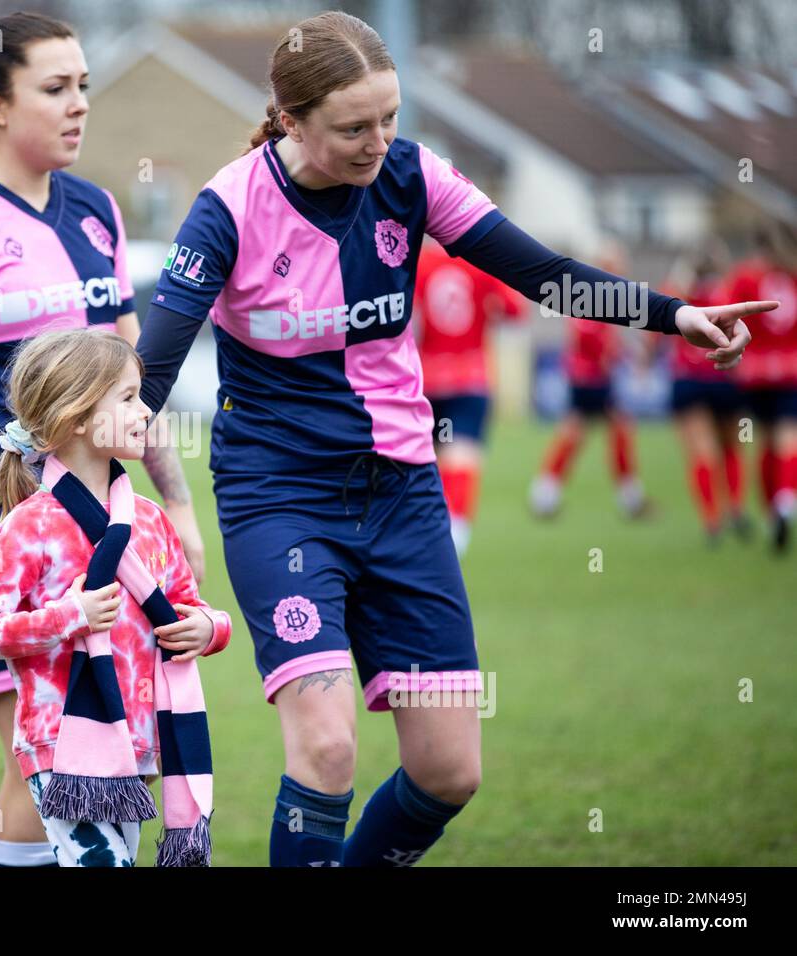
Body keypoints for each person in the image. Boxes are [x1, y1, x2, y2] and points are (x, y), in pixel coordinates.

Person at [134, 11, 773, 866]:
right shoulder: (229, 207)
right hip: (280, 499)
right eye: (354, 126)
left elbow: (541, 274)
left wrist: (675, 315)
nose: (378, 141)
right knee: (326, 751)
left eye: (390, 118)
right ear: (291, 120)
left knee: (448, 773)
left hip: (402, 493)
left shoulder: (410, 175)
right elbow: (153, 365)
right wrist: (102, 469)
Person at [0, 12, 204, 867]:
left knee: (51, 752)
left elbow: (133, 375)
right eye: (55, 89)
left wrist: (174, 503)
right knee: (50, 748)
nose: (79, 106)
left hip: (104, 525)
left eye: (85, 87)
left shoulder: (95, 208)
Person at [0, 329, 230, 866]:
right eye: (127, 398)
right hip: (61, 747)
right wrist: (67, 617)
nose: (145, 411)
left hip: (137, 744)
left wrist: (209, 629)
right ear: (76, 417)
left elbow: (190, 607)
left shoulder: (150, 520)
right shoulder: (31, 525)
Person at [413, 237, 525, 555]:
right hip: (469, 378)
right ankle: (455, 538)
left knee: (427, 463)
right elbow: (514, 311)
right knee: (461, 458)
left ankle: (427, 536)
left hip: (428, 380)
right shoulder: (480, 262)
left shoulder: (419, 263)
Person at [528, 241, 654, 520]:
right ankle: (628, 497)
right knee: (609, 429)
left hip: (587, 378)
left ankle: (546, 492)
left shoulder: (591, 293)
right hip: (591, 379)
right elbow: (592, 339)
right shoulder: (593, 294)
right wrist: (620, 356)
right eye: (618, 264)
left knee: (580, 433)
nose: (623, 270)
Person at [662, 243, 751, 545]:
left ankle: (712, 520)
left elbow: (651, 336)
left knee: (701, 452)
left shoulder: (676, 293)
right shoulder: (728, 292)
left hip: (688, 380)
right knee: (732, 447)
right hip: (724, 374)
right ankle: (736, 508)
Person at [725, 225, 797, 552]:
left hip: (753, 374)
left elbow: (725, 315)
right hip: (790, 371)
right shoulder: (793, 275)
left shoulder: (744, 278)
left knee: (764, 442)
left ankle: (772, 513)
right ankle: (784, 501)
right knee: (788, 438)